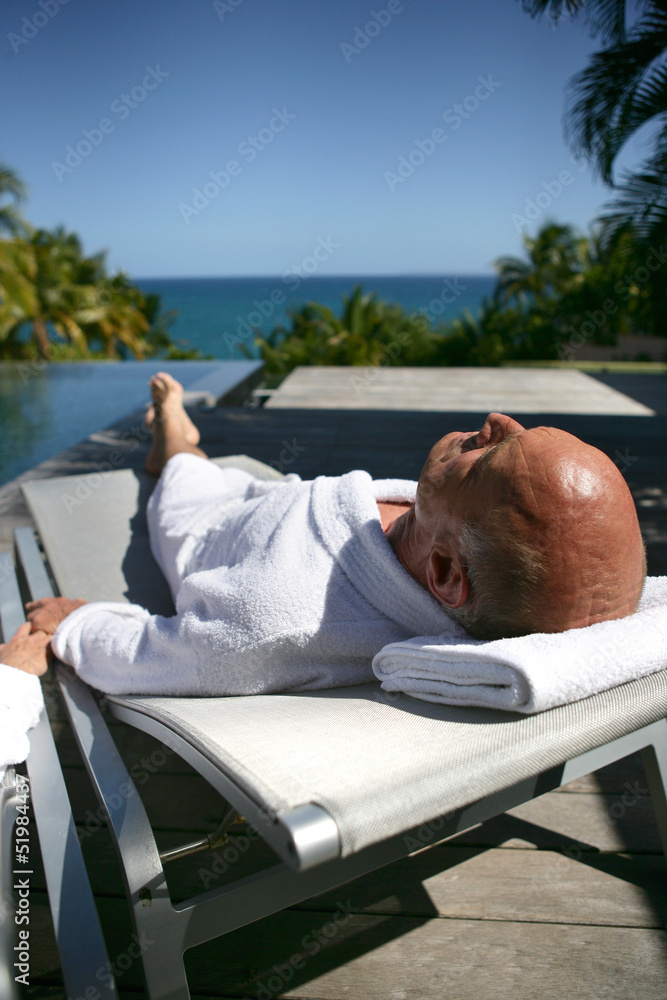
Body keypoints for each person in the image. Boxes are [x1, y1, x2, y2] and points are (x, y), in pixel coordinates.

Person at [2, 372, 646, 695]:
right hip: (288, 499)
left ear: (448, 575)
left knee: (181, 472)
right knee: (227, 474)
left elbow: (169, 653)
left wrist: (83, 622)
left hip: (213, 526)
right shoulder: (450, 547)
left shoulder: (285, 616)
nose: (498, 418)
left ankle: (174, 433)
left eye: (496, 455)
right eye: (526, 431)